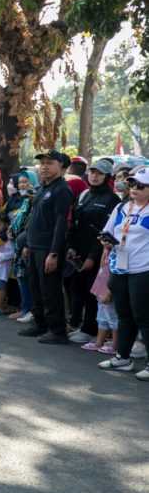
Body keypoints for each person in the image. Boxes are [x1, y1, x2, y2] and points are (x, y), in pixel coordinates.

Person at [97, 166, 149, 380]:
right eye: (132, 184)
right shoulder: (122, 207)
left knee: (144, 317)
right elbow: (108, 232)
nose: (134, 188)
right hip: (120, 267)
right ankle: (123, 357)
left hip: (143, 269)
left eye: (141, 185)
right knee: (124, 315)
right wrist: (105, 242)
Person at [18, 150, 75, 344]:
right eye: (42, 163)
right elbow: (34, 218)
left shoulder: (62, 190)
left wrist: (54, 252)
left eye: (50, 163)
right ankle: (40, 323)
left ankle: (57, 330)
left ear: (63, 167)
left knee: (49, 289)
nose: (44, 166)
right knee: (35, 287)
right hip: (34, 245)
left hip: (47, 248)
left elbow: (61, 224)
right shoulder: (42, 187)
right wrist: (27, 243)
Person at [66, 160, 119, 343]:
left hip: (97, 254)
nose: (95, 177)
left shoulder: (112, 200)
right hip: (78, 252)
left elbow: (106, 233)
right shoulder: (84, 195)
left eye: (100, 174)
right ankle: (80, 325)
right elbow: (74, 223)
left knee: (92, 293)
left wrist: (91, 257)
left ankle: (90, 329)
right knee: (77, 288)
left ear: (107, 177)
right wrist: (71, 247)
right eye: (92, 172)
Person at [7, 171, 38, 323]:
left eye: (26, 182)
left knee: (27, 277)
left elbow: (31, 224)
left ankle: (30, 310)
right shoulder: (21, 199)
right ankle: (24, 308)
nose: (23, 185)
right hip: (17, 243)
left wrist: (26, 243)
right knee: (20, 276)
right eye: (20, 182)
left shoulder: (34, 199)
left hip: (27, 244)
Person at [82, 251, 117, 354]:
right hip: (104, 277)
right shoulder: (107, 249)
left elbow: (119, 269)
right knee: (101, 313)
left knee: (113, 314)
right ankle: (99, 342)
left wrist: (110, 292)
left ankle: (116, 345)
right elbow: (102, 264)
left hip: (112, 280)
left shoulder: (121, 247)